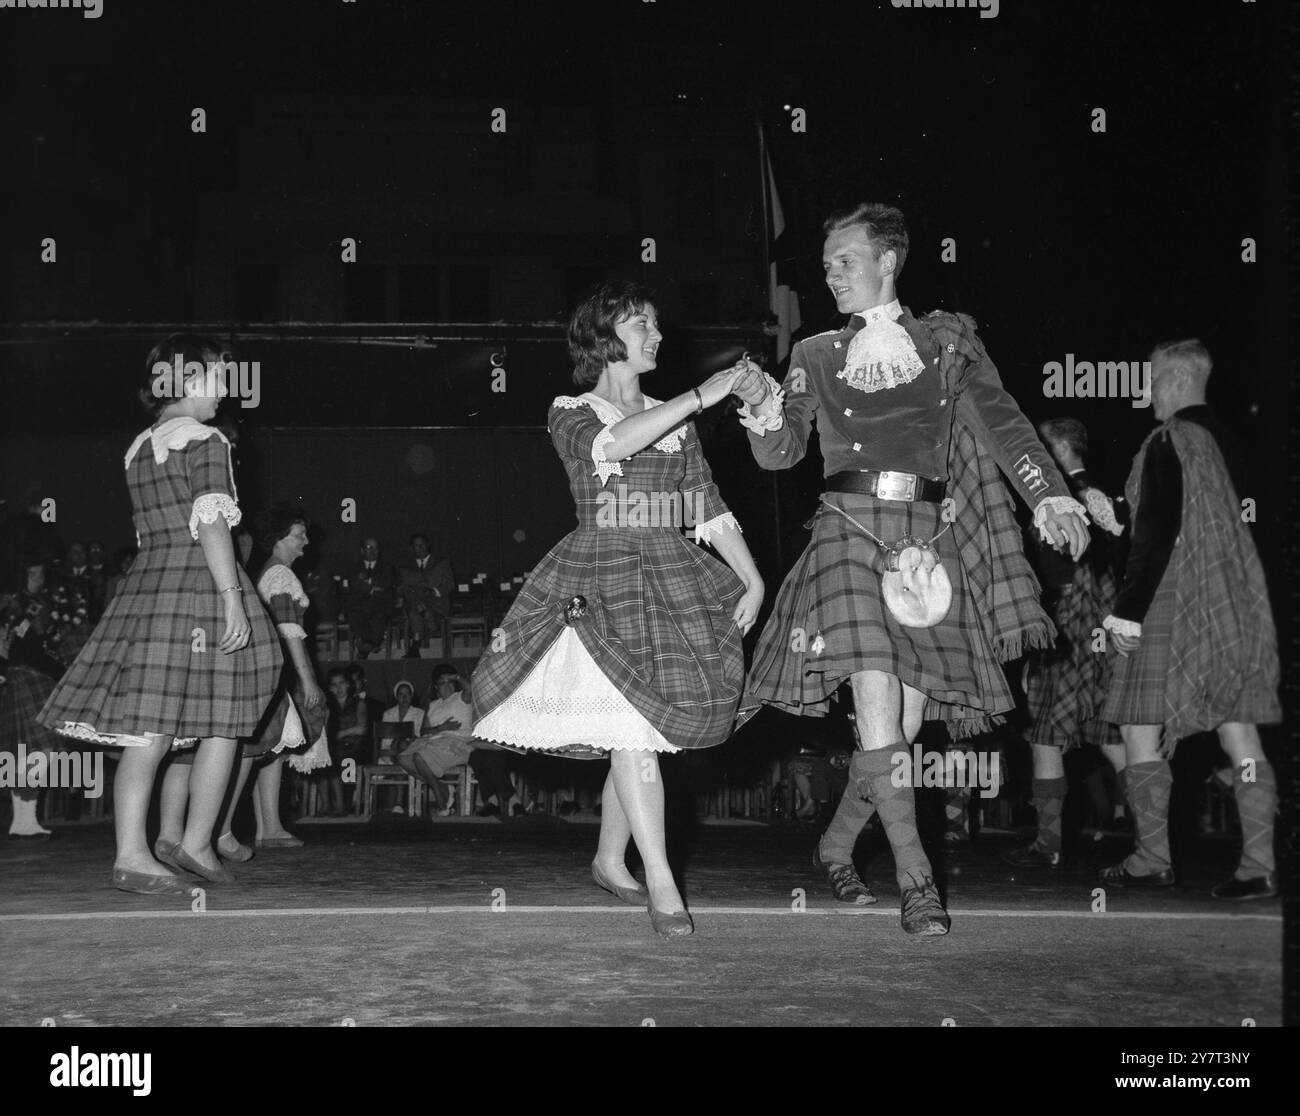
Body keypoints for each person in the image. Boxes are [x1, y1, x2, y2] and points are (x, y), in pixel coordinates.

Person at [735, 203, 1090, 935]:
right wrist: (766, 411)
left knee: (904, 720)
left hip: (926, 541)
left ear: (888, 261)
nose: (832, 275)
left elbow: (1003, 423)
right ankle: (919, 883)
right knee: (872, 696)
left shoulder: (945, 343)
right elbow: (782, 453)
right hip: (846, 530)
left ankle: (835, 847)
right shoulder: (813, 353)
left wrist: (1050, 494)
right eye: (827, 264)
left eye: (846, 261)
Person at [471, 281, 765, 937]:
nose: (656, 334)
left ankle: (609, 857)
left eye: (656, 323)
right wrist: (701, 395)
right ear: (604, 338)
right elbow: (613, 447)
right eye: (640, 324)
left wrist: (753, 580)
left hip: (671, 576)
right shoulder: (570, 409)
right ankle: (664, 885)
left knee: (642, 729)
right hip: (601, 577)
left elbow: (706, 508)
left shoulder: (676, 420)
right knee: (634, 734)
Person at [37, 334, 282, 894]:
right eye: (220, 377)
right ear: (191, 377)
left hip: (150, 585)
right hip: (200, 580)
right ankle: (196, 841)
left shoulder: (139, 446)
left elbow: (149, 532)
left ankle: (132, 854)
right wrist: (231, 597)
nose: (226, 390)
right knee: (232, 707)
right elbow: (213, 524)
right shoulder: (207, 439)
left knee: (149, 725)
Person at [1099, 340, 1280, 900]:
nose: (1147, 393)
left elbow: (1155, 536)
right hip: (1229, 601)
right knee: (1239, 733)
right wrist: (1120, 520)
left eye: (1152, 381)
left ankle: (1152, 857)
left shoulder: (1168, 439)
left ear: (1175, 381)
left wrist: (1125, 615)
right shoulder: (1228, 442)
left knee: (1137, 727)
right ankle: (1258, 864)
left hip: (1170, 598)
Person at [1004, 418, 1127, 868]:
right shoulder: (1108, 496)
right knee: (1110, 734)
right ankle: (1153, 843)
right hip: (1109, 627)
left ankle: (1049, 845)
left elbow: (1054, 569)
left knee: (1044, 734)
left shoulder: (1056, 501)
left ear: (1056, 450)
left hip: (1068, 622)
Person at [208, 505, 325, 857]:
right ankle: (221, 829)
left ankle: (268, 826)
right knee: (254, 748)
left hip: (273, 672)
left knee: (272, 747)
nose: (305, 541)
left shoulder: (272, 572)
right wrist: (308, 680)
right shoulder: (282, 576)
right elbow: (289, 633)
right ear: (277, 540)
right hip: (278, 671)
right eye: (297, 535)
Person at [395, 665, 475, 814]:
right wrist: (441, 727)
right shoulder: (433, 705)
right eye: (442, 682)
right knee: (402, 758)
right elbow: (424, 731)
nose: (447, 685)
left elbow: (470, 688)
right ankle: (443, 787)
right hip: (433, 741)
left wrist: (456, 676)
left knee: (419, 757)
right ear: (436, 687)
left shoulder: (461, 697)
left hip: (457, 743)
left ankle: (440, 799)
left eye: (449, 682)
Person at [323, 667, 370, 814]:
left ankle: (344, 804)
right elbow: (325, 731)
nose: (339, 688)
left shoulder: (359, 703)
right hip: (335, 748)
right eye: (334, 685)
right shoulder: (327, 707)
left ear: (348, 684)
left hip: (356, 747)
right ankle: (326, 804)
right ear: (330, 688)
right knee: (322, 758)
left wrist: (340, 733)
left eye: (341, 683)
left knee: (345, 760)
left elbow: (362, 729)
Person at [397, 533, 453, 657]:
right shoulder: (406, 566)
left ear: (428, 545)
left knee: (416, 610)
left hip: (436, 602)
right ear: (412, 548)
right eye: (416, 546)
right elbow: (402, 587)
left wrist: (435, 591)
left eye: (422, 544)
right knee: (416, 608)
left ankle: (416, 644)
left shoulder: (441, 563)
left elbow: (449, 584)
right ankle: (426, 625)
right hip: (416, 602)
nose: (420, 548)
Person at [344, 539, 396, 659]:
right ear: (362, 550)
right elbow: (352, 584)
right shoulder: (353, 568)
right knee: (354, 613)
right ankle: (371, 644)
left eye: (375, 548)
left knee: (379, 614)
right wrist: (372, 589)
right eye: (368, 547)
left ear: (379, 551)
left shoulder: (387, 567)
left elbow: (385, 584)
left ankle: (365, 646)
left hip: (380, 604)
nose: (372, 551)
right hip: (358, 605)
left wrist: (364, 586)